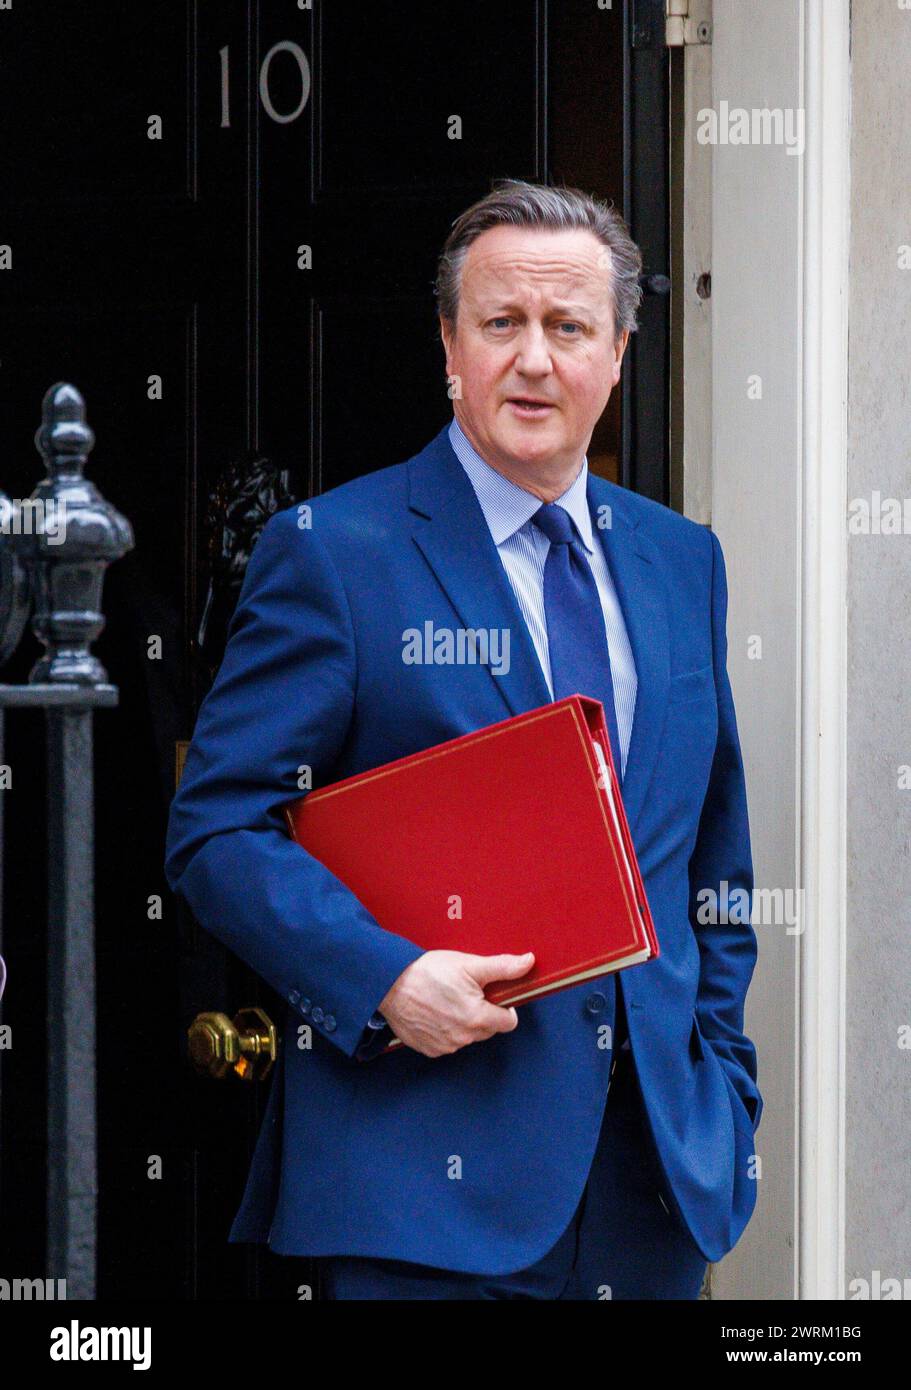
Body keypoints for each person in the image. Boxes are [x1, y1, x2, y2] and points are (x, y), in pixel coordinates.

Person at [164, 179, 762, 1300]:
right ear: (449, 342)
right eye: (501, 324)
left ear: (618, 351)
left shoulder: (685, 560)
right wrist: (381, 976)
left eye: (567, 326)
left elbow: (708, 856)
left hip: (654, 1189)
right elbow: (217, 828)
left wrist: (721, 1084)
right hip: (421, 1205)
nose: (533, 360)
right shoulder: (335, 552)